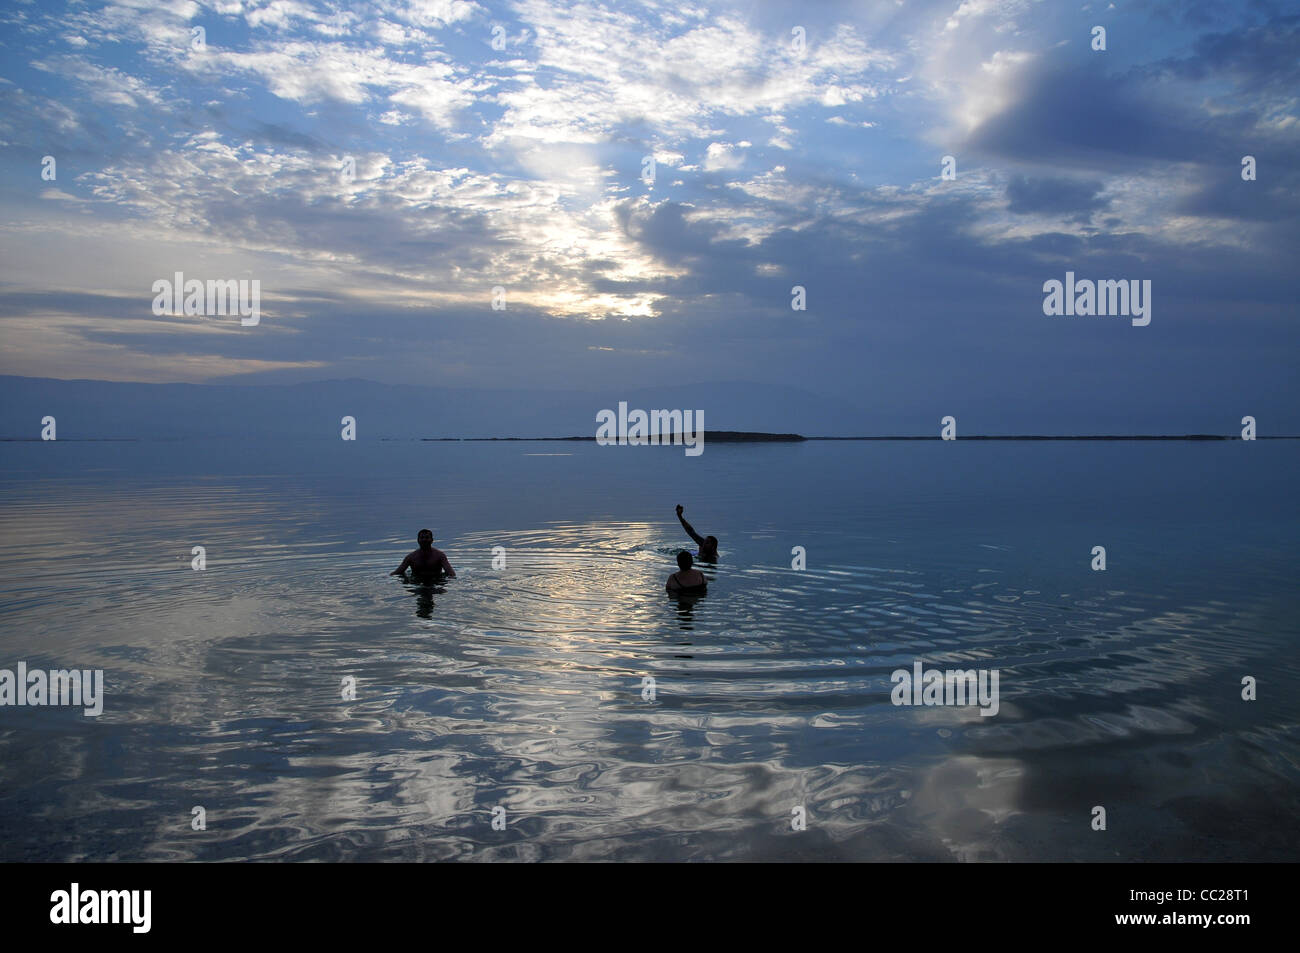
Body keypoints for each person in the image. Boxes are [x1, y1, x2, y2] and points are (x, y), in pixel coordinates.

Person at [391, 529, 456, 580]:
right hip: (417, 582)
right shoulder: (411, 557)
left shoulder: (440, 556)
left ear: (432, 540)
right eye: (422, 537)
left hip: (436, 581)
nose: (424, 540)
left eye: (427, 537)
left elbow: (451, 574)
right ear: (418, 540)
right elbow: (397, 572)